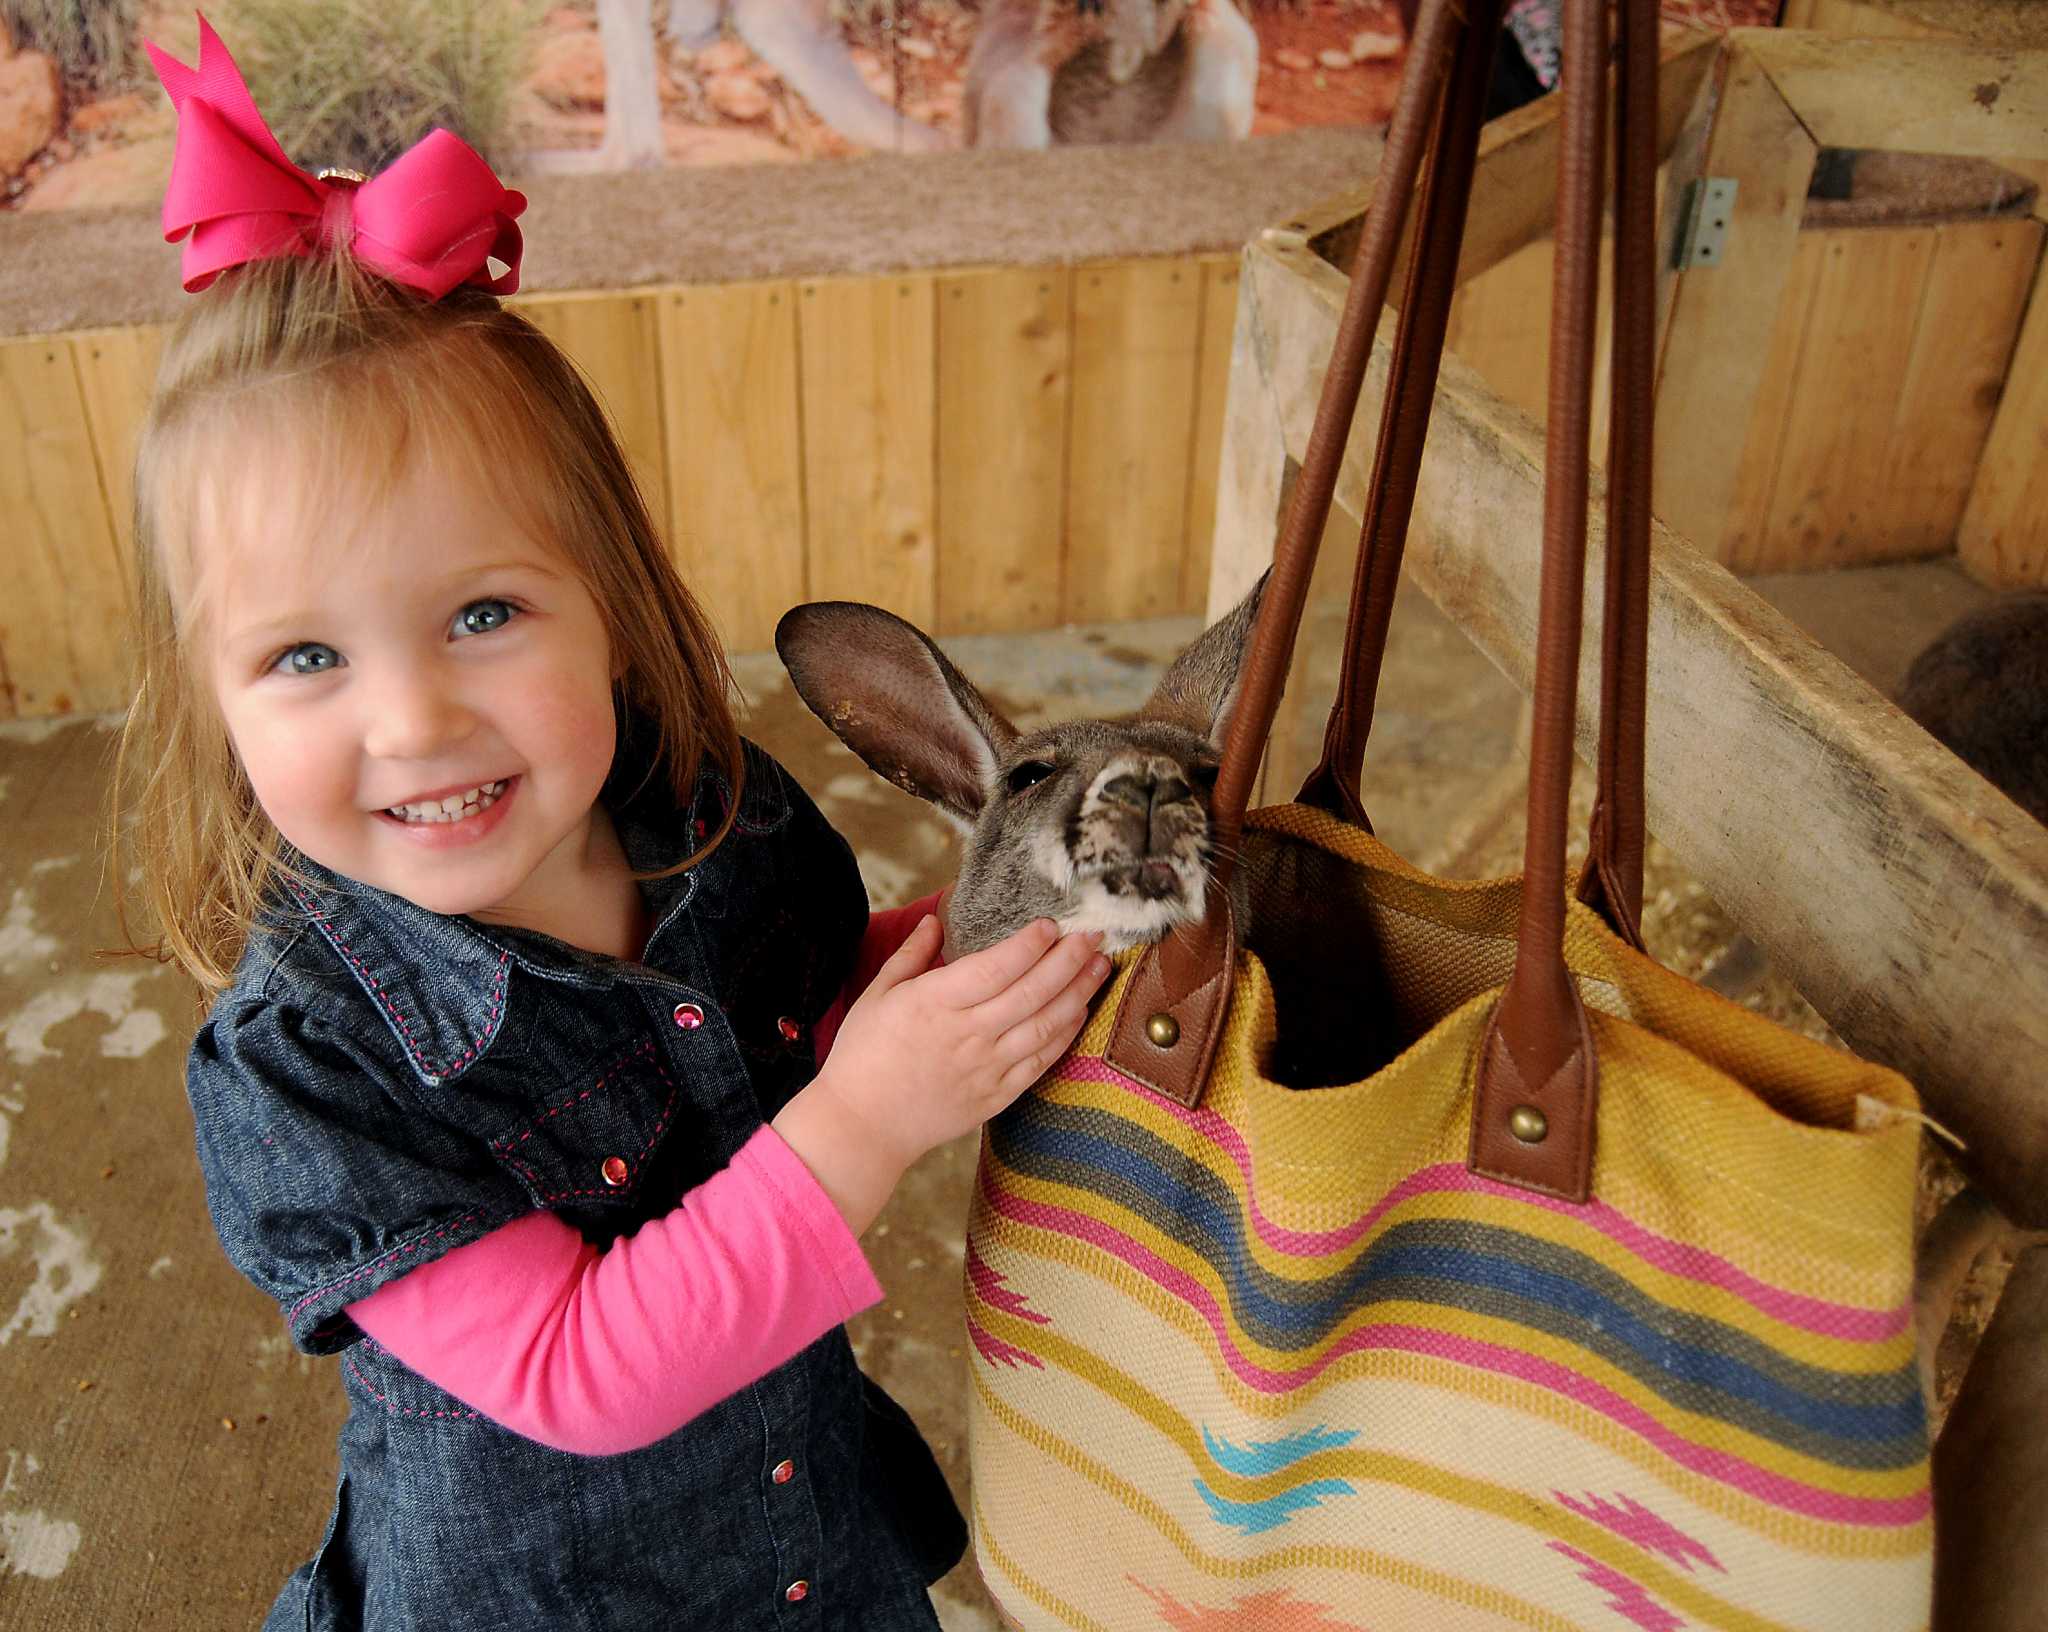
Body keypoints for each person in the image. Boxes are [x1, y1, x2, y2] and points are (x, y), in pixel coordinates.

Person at [110, 18, 1112, 1629]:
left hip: (799, 1531)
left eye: (484, 615)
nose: (413, 721)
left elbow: (797, 1021)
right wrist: (872, 1115)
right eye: (304, 657)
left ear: (615, 607)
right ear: (210, 697)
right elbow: (581, 1370)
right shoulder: (306, 1066)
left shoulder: (719, 821)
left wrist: (986, 953)